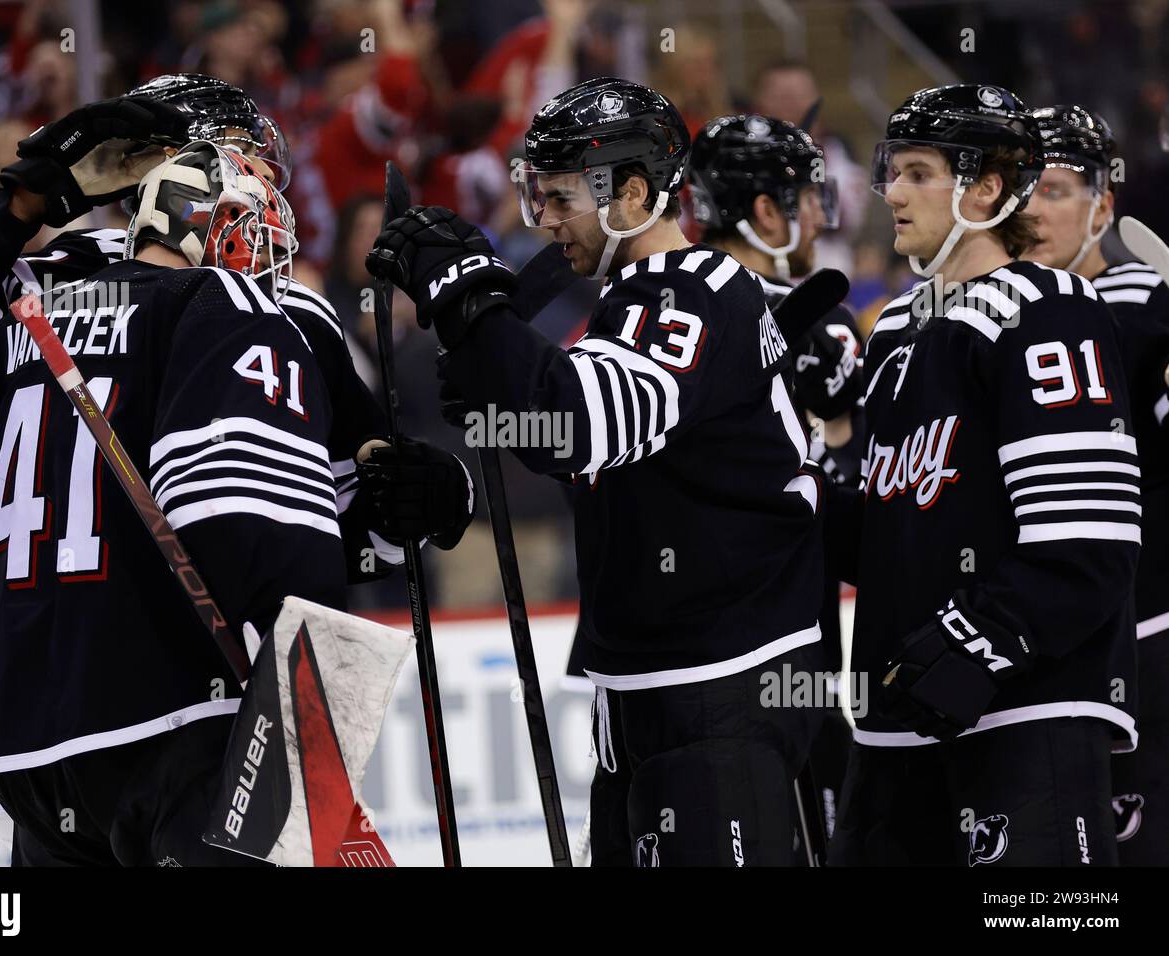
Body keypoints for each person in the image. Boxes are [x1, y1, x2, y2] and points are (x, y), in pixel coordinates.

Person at [0, 81, 473, 865]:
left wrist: (431, 495)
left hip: (38, 715)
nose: (263, 180)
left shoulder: (35, 296)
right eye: (239, 155)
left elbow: (356, 492)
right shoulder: (210, 296)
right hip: (187, 711)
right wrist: (27, 201)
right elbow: (286, 530)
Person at [368, 76, 828, 867]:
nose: (542, 220)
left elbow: (581, 426)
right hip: (653, 693)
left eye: (559, 197)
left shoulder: (696, 291)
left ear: (636, 192)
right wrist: (462, 488)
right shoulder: (635, 301)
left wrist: (470, 295)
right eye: (535, 195)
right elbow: (606, 468)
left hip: (720, 689)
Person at [829, 84, 1139, 866]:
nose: (892, 191)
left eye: (920, 172)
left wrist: (973, 651)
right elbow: (883, 537)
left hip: (1023, 722)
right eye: (891, 170)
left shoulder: (1047, 308)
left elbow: (1087, 543)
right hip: (897, 733)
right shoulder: (896, 328)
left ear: (988, 187)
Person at [686, 113, 865, 845]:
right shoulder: (805, 327)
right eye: (811, 197)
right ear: (766, 211)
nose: (824, 215)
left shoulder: (664, 311)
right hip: (766, 667)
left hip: (697, 671)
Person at [1024, 104, 1169, 865]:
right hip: (1045, 648)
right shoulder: (1000, 315)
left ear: (1103, 206)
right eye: (1022, 191)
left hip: (1146, 639)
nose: (1034, 211)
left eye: (1054, 190)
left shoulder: (1144, 307)